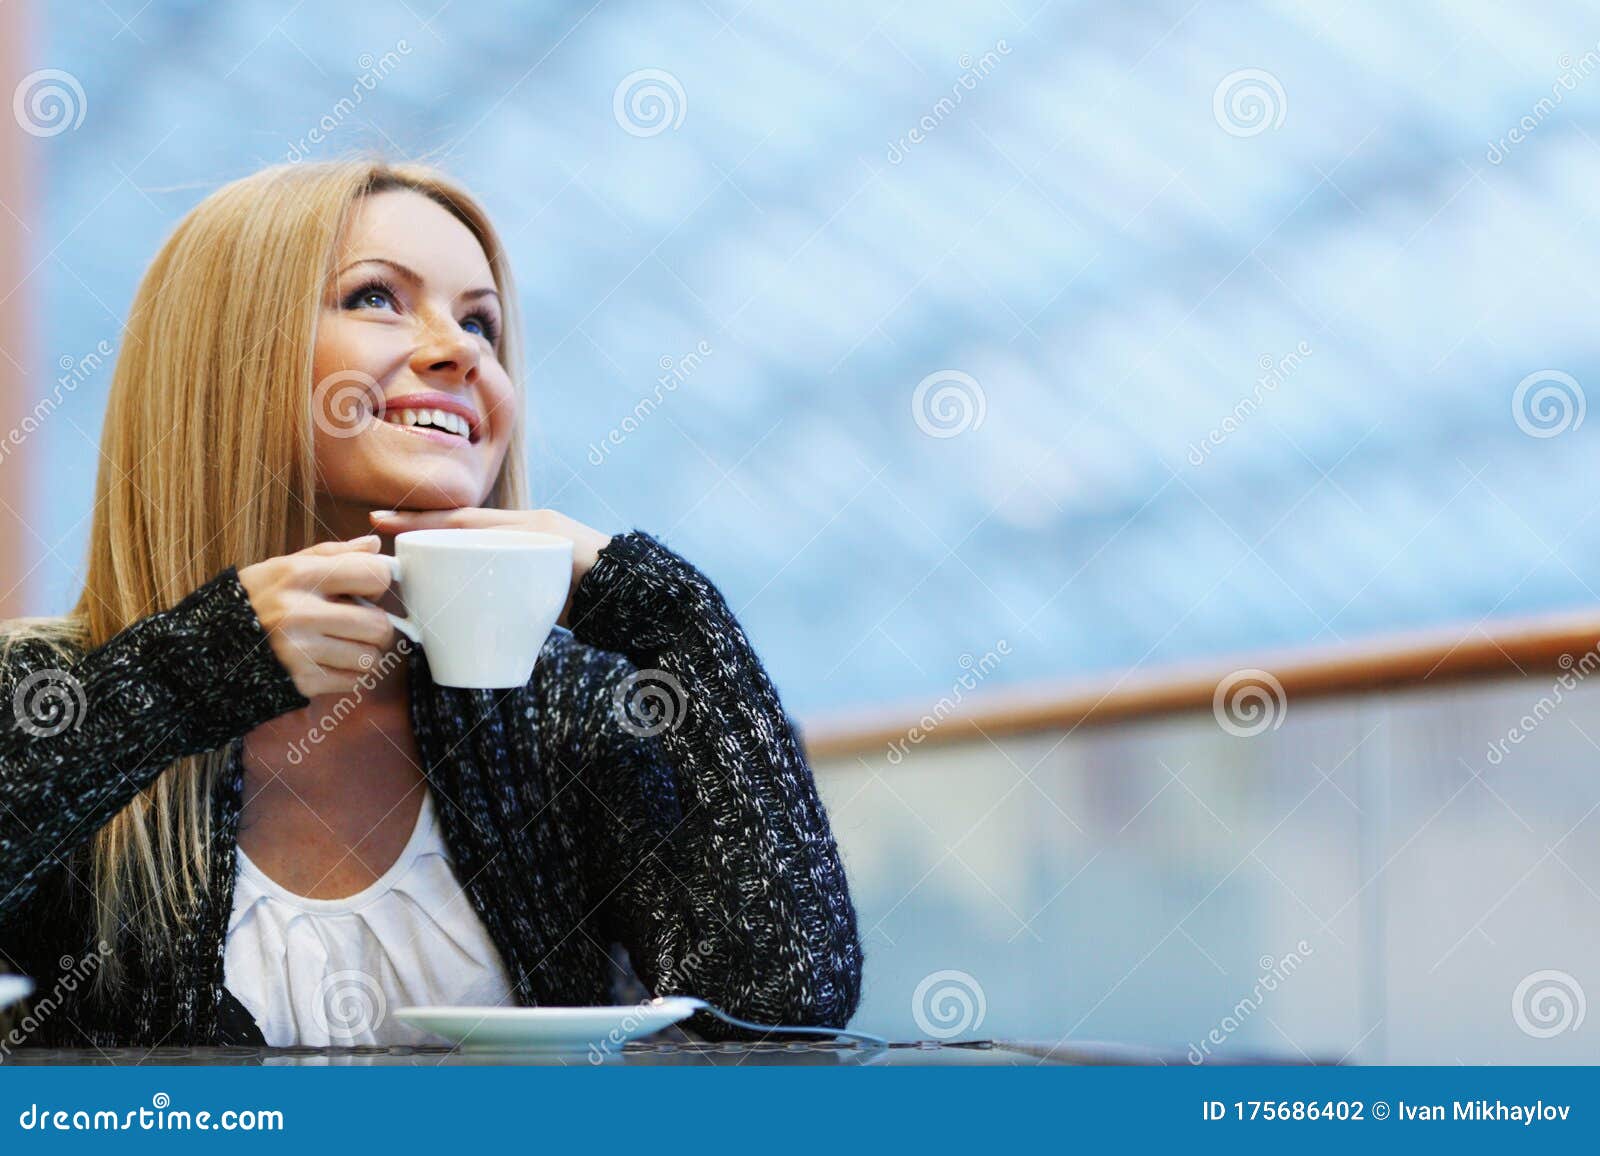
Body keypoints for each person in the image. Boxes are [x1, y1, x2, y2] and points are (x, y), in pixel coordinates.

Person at [0, 159, 863, 1049]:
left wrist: (668, 612)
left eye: (480, 321)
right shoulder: (45, 688)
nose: (464, 352)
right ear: (224, 357)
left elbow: (785, 1011)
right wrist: (193, 675)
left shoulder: (571, 712)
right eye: (375, 297)